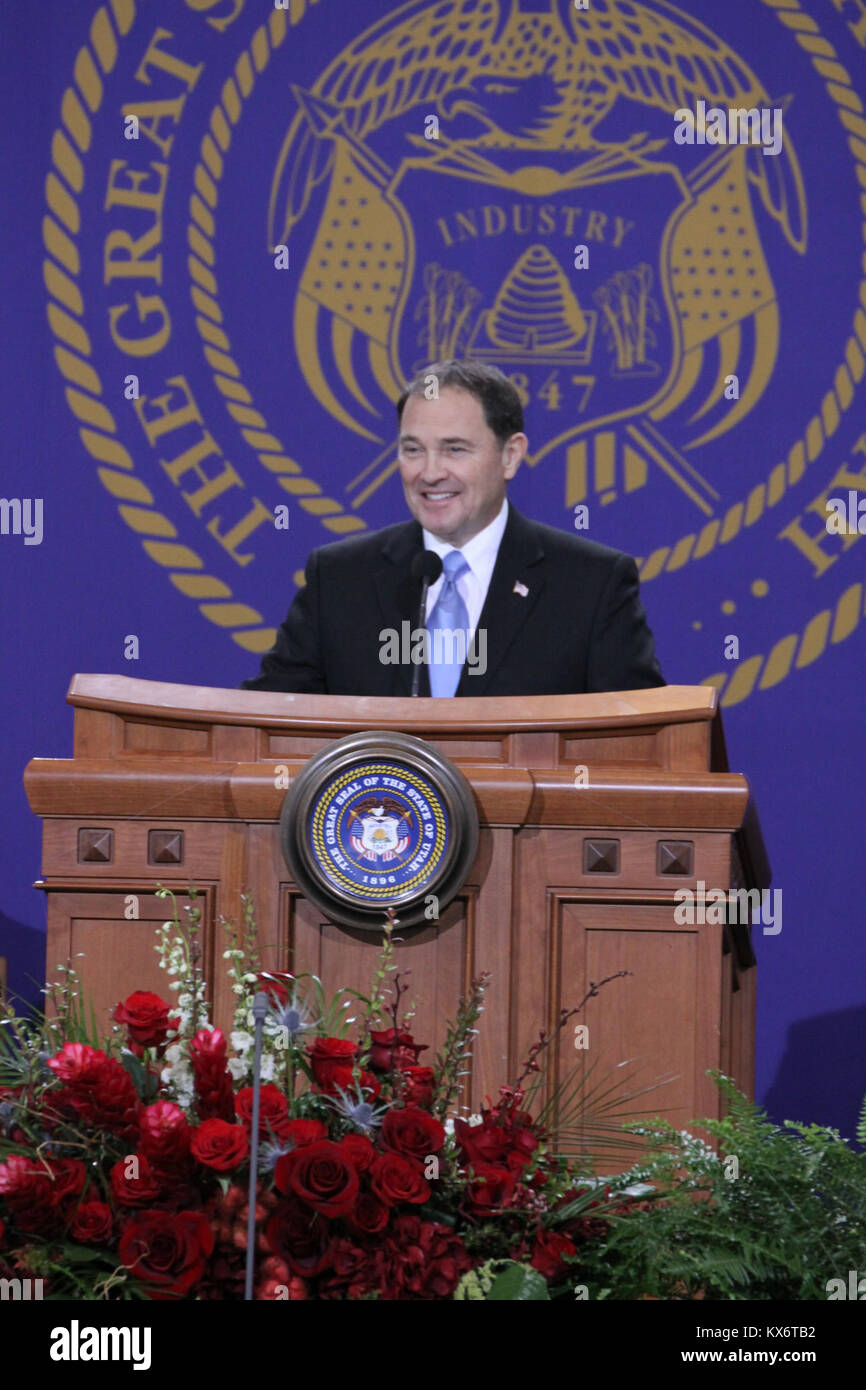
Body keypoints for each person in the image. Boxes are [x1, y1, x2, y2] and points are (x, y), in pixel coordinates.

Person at [239, 359, 664, 697]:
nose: (430, 473)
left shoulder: (590, 585)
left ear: (510, 456)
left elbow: (640, 746)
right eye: (413, 450)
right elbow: (266, 723)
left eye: (454, 449)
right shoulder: (338, 578)